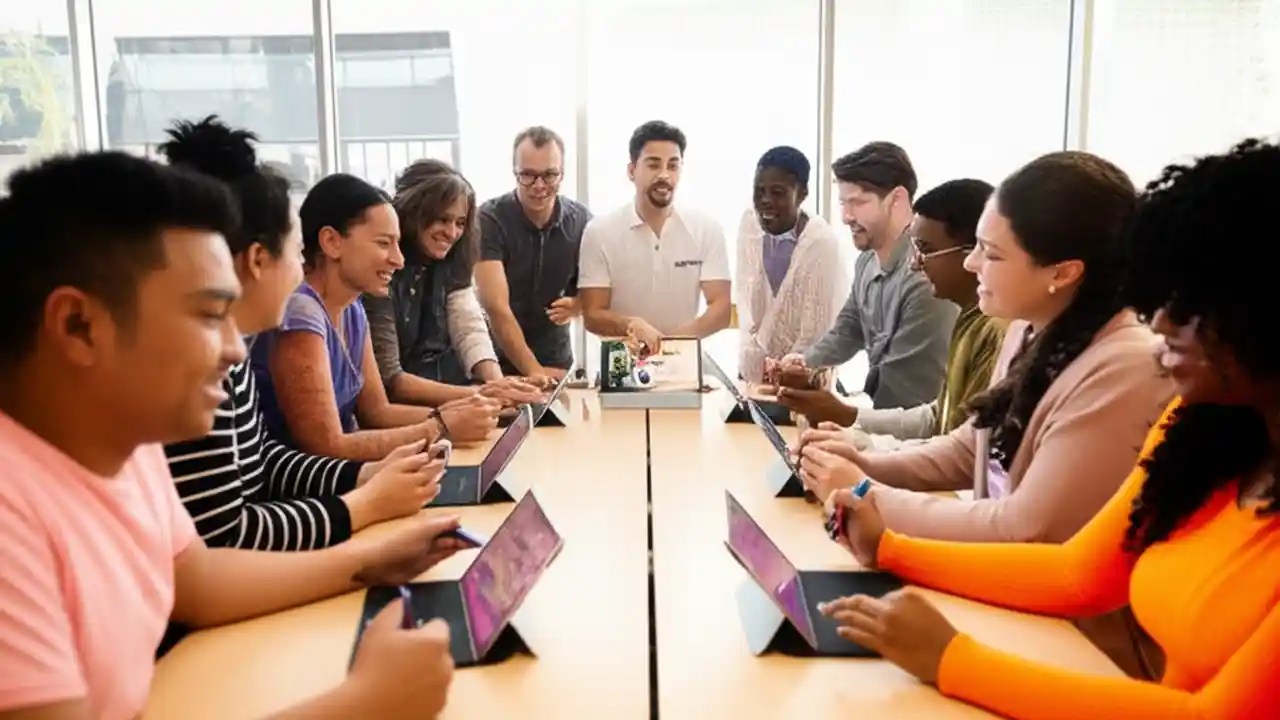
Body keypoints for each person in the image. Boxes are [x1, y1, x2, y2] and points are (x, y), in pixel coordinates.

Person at [822, 139, 1280, 720]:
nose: (1163, 322)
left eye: (1195, 305)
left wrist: (953, 659)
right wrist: (888, 547)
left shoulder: (1138, 371)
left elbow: (1213, 715)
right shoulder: (1201, 427)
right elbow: (1077, 573)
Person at [0, 151, 462, 720]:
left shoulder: (126, 441)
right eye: (208, 316)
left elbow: (197, 579)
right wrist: (362, 705)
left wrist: (373, 560)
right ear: (78, 325)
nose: (234, 352)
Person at [159, 116, 442, 551]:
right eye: (296, 252)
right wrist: (361, 507)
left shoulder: (233, 353)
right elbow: (222, 537)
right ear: (257, 260)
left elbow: (263, 461)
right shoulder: (196, 364)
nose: (300, 271)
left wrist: (363, 477)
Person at [252, 172, 500, 462]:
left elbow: (377, 412)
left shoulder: (353, 308)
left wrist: (466, 412)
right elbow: (326, 446)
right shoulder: (301, 312)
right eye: (384, 244)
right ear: (331, 242)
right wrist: (440, 427)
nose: (399, 260)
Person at [776, 179, 1006, 447]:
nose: (915, 263)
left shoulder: (996, 331)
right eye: (843, 203)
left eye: (926, 251)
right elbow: (938, 417)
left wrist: (864, 446)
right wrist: (842, 413)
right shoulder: (970, 319)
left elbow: (964, 451)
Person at [777, 142, 958, 409]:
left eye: (858, 203)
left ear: (897, 200)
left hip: (913, 424)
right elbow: (850, 328)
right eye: (843, 203)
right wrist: (805, 362)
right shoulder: (867, 261)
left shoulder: (924, 277)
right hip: (882, 418)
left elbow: (901, 389)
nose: (845, 217)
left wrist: (840, 413)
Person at [366, 159, 545, 401]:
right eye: (442, 219)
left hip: (444, 392)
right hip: (402, 407)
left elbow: (468, 326)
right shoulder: (381, 270)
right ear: (414, 211)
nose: (452, 233)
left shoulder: (452, 260)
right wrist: (481, 394)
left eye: (460, 223)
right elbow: (390, 377)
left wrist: (497, 384)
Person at [579, 120, 731, 350]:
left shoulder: (706, 228)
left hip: (683, 357)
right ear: (632, 171)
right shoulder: (599, 232)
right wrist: (631, 325)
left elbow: (720, 309)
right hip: (621, 360)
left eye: (673, 166)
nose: (664, 175)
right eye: (653, 165)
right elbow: (592, 315)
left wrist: (667, 347)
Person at [475, 126, 591, 382]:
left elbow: (602, 288)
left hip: (556, 361)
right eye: (527, 175)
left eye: (549, 175)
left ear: (562, 174)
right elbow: (496, 308)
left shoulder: (582, 221)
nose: (539, 185)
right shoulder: (488, 219)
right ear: (514, 172)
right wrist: (534, 372)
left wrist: (579, 304)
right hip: (496, 366)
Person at [735, 146, 846, 384]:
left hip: (805, 383)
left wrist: (788, 369)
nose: (765, 201)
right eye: (759, 191)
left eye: (777, 192)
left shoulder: (821, 244)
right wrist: (752, 364)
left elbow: (818, 331)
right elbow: (746, 300)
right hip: (755, 380)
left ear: (802, 194)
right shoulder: (750, 224)